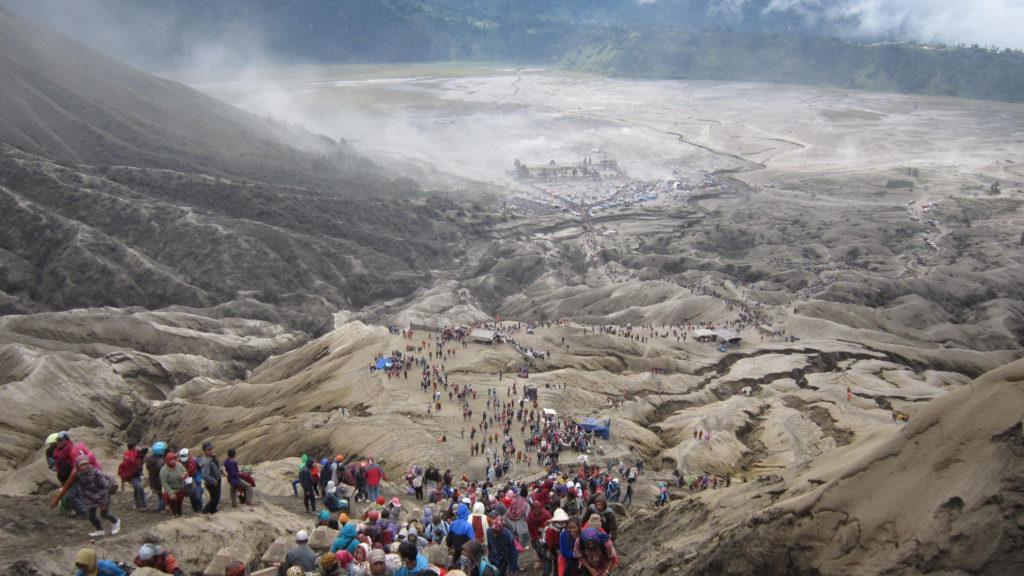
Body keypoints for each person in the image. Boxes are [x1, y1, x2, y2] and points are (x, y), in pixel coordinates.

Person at [60, 455, 120, 537]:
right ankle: (100, 530)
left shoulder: (96, 473)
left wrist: (103, 503)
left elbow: (105, 488)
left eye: (86, 464)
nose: (84, 467)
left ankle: (116, 521)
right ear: (78, 466)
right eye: (82, 465)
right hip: (89, 495)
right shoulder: (78, 474)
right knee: (90, 515)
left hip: (103, 492)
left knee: (104, 514)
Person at [117, 442, 148, 510]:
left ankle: (138, 504)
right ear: (133, 447)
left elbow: (144, 453)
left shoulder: (138, 453)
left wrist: (144, 448)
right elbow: (131, 461)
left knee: (137, 489)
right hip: (132, 475)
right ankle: (143, 505)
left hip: (137, 474)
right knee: (140, 488)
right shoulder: (129, 454)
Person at [445, 503, 475, 568]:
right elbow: (472, 543)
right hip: (466, 556)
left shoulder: (453, 524)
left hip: (456, 553)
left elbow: (448, 540)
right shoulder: (468, 527)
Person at [159, 452, 187, 517]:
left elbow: (185, 471)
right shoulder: (164, 471)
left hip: (179, 487)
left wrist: (184, 475)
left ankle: (180, 514)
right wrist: (171, 492)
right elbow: (164, 483)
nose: (173, 461)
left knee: (179, 502)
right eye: (171, 460)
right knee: (173, 500)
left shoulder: (179, 465)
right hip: (170, 488)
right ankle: (174, 514)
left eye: (174, 459)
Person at [199, 441, 222, 514]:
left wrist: (221, 470)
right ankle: (205, 511)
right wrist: (213, 481)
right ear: (204, 451)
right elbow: (204, 475)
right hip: (212, 482)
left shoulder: (212, 457)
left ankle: (213, 510)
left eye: (211, 449)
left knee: (216, 498)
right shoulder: (206, 461)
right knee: (215, 499)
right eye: (208, 450)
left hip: (217, 479)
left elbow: (217, 466)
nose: (211, 451)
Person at [179, 448, 204, 512]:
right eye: (182, 456)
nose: (183, 457)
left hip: (195, 478)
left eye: (185, 455)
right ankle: (195, 508)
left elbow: (199, 469)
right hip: (185, 480)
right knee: (191, 494)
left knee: (197, 495)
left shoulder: (194, 461)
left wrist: (198, 478)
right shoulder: (179, 463)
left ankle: (201, 506)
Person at [146, 441, 168, 513]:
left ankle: (162, 507)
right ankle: (161, 508)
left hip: (153, 480)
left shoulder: (150, 459)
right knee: (164, 494)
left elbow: (148, 468)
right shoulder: (161, 461)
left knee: (160, 494)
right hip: (160, 481)